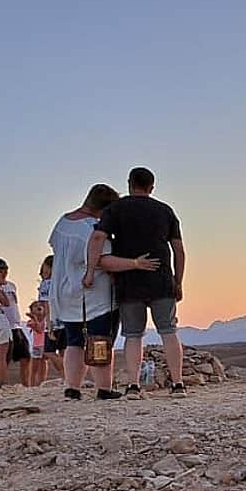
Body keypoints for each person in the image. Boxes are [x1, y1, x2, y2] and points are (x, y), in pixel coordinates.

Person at [86, 167, 187, 399]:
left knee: (133, 335)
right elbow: (179, 249)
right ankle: (178, 384)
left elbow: (98, 237)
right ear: (152, 187)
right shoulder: (165, 211)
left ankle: (133, 385)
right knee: (169, 330)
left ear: (129, 183)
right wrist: (178, 281)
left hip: (129, 281)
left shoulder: (115, 210)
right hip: (161, 279)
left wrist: (91, 270)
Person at [51, 183, 157, 401]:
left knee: (74, 341)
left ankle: (72, 387)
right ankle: (103, 388)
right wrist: (135, 263)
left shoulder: (63, 223)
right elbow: (105, 261)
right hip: (94, 295)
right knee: (100, 339)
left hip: (65, 291)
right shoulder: (93, 229)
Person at [0, 258, 31, 385]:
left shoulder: (11, 285)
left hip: (16, 324)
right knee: (4, 357)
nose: (4, 272)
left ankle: (26, 384)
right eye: (1, 269)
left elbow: (14, 304)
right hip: (3, 325)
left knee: (25, 356)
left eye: (5, 269)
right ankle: (1, 383)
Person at [37, 255, 63, 379]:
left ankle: (67, 372)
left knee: (49, 351)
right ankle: (68, 377)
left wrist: (49, 326)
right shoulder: (63, 280)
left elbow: (46, 306)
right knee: (65, 351)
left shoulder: (46, 284)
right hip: (67, 319)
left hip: (54, 321)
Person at [26, 301, 48, 387]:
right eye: (35, 306)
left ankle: (41, 383)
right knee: (34, 368)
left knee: (43, 365)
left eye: (40, 306)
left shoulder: (46, 321)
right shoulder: (30, 322)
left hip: (44, 345)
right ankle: (31, 385)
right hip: (36, 346)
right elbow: (38, 329)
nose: (39, 307)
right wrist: (34, 318)